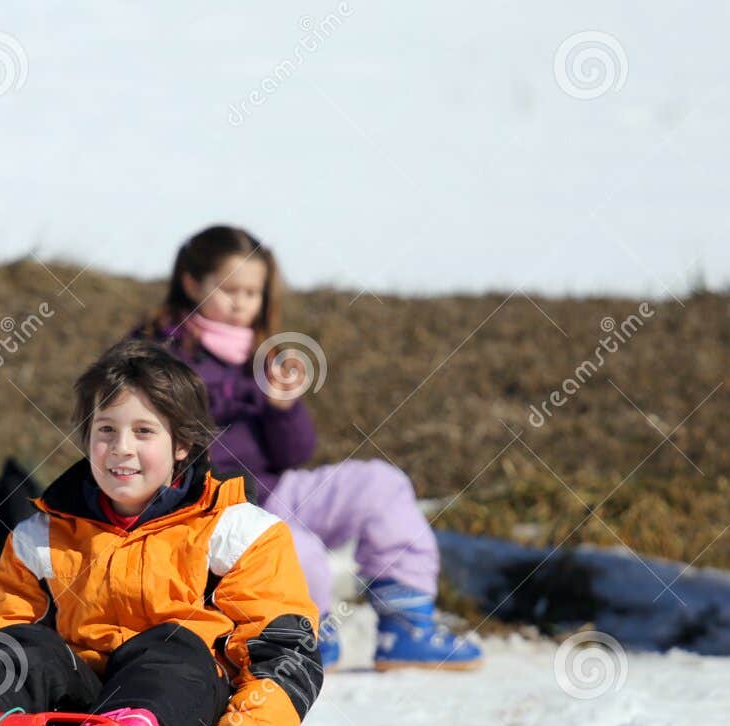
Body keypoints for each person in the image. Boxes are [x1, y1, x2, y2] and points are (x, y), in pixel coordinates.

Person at [0, 340, 322, 726]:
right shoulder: (40, 539)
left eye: (143, 431)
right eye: (106, 430)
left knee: (173, 643)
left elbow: (285, 660)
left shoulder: (239, 533)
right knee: (19, 645)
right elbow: (3, 635)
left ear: (183, 444)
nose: (121, 448)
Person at [136, 224, 482, 670]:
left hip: (274, 488)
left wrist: (283, 407)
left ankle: (406, 624)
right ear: (191, 282)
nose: (241, 302)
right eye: (229, 289)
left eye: (253, 292)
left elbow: (293, 454)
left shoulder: (259, 353)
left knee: (382, 483)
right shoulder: (156, 347)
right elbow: (185, 403)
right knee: (298, 550)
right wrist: (254, 393)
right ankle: (304, 636)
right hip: (208, 506)